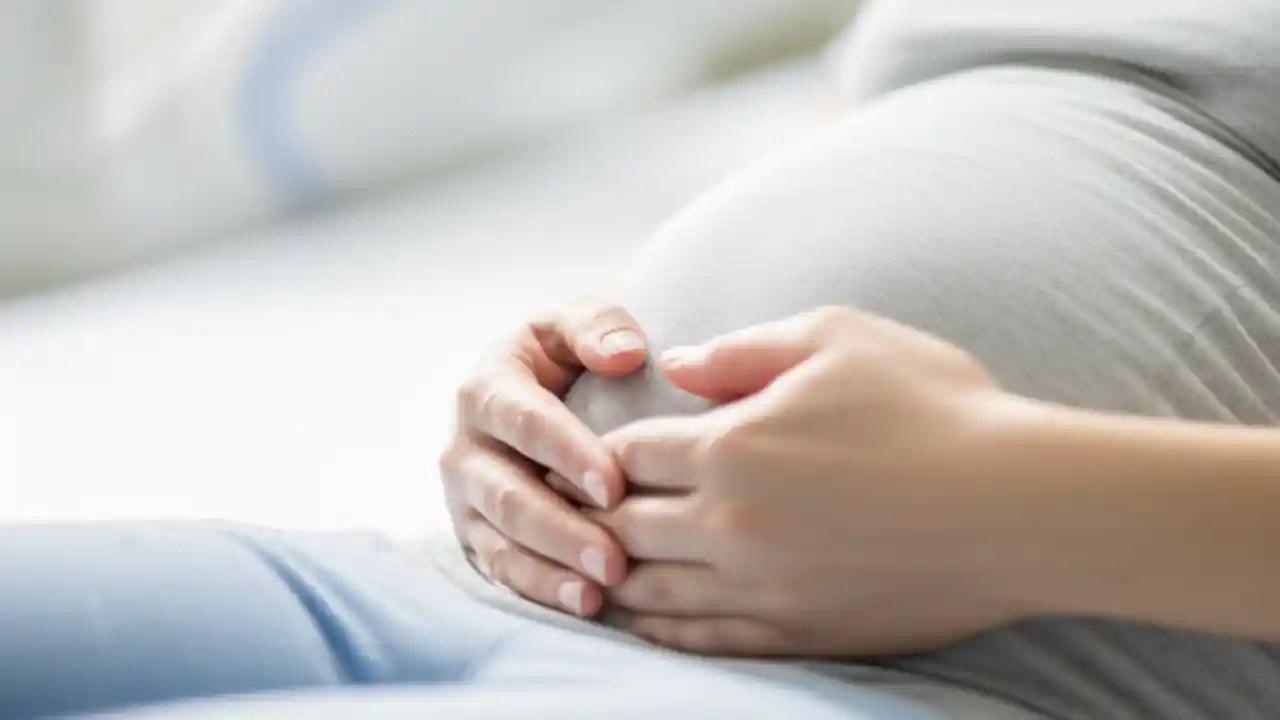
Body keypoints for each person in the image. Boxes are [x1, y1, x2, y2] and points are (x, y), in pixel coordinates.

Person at [5, 2, 1280, 718]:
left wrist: (997, 511)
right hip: (462, 579)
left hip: (948, 691)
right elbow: (880, 148)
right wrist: (579, 360)